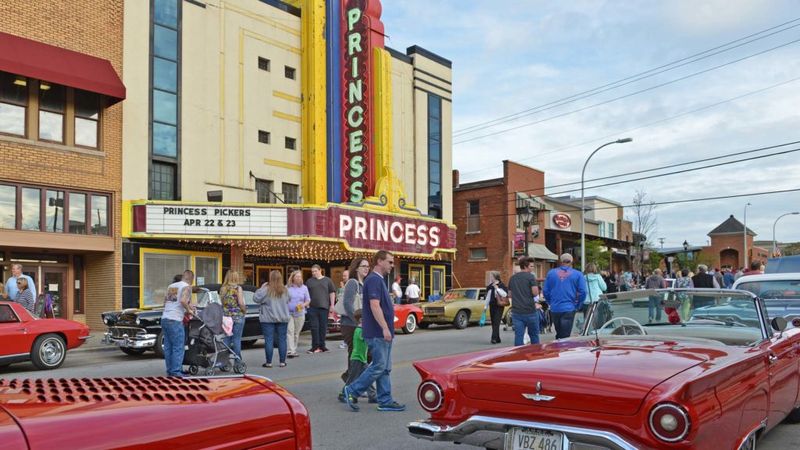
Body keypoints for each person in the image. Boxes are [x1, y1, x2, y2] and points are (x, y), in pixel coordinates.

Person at [342, 250, 405, 412]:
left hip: (382, 331)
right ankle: (352, 389)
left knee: (384, 368)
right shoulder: (374, 280)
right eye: (390, 262)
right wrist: (384, 328)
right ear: (379, 261)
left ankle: (385, 400)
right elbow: (374, 305)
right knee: (379, 366)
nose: (392, 265)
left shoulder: (378, 280)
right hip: (378, 332)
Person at [542, 253, 587, 340]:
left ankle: (558, 350)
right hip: (569, 307)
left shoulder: (551, 273)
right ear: (572, 262)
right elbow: (583, 292)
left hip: (555, 308)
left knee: (559, 334)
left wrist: (550, 302)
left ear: (560, 261)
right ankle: (562, 351)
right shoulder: (578, 274)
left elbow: (545, 291)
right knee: (565, 336)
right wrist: (578, 305)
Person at [340, 257, 370, 382]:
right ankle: (351, 384)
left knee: (363, 355)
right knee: (355, 354)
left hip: (359, 324)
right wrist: (358, 322)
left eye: (368, 266)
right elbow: (347, 304)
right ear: (357, 268)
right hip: (350, 325)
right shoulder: (352, 282)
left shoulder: (364, 284)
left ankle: (349, 377)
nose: (366, 269)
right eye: (364, 266)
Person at [338, 310, 377, 404]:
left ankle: (372, 395)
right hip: (357, 359)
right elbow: (367, 338)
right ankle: (343, 394)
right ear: (361, 320)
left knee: (367, 377)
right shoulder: (359, 331)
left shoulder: (362, 330)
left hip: (362, 358)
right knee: (352, 378)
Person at [162, 270, 195, 377]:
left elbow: (166, 302)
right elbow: (183, 301)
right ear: (191, 279)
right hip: (175, 319)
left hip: (165, 318)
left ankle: (171, 370)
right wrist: (189, 310)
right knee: (178, 347)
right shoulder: (187, 287)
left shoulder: (171, 286)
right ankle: (176, 372)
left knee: (168, 347)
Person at [254, 270, 291, 368]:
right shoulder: (285, 290)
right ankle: (282, 362)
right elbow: (289, 299)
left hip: (268, 318)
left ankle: (269, 362)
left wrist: (262, 287)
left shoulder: (266, 289)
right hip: (283, 317)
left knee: (269, 340)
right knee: (282, 339)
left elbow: (256, 298)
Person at [508, 256, 542, 346]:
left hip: (517, 311)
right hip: (530, 310)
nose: (533, 268)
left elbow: (510, 294)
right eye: (532, 266)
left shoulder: (512, 278)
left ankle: (518, 356)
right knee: (534, 335)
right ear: (526, 266)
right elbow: (535, 293)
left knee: (519, 336)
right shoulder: (531, 277)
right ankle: (535, 354)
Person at [305, 265, 336, 353]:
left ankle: (322, 346)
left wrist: (332, 305)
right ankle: (314, 346)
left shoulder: (327, 280)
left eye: (315, 271)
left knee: (323, 327)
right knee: (314, 327)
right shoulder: (309, 281)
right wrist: (306, 304)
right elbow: (305, 293)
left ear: (320, 270)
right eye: (312, 272)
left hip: (324, 307)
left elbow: (332, 292)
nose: (313, 273)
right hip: (312, 307)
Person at [220, 270, 245, 359]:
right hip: (237, 316)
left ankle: (223, 360)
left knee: (226, 338)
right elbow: (241, 302)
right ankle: (237, 360)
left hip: (226, 317)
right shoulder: (238, 288)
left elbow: (222, 303)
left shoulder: (223, 288)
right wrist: (244, 310)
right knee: (236, 339)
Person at [286, 270, 310, 358]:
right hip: (289, 313)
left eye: (300, 277)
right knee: (290, 331)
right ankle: (290, 350)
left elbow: (308, 300)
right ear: (292, 278)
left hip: (300, 313)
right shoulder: (287, 288)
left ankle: (294, 349)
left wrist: (303, 305)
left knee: (296, 332)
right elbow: (284, 300)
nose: (299, 278)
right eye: (297, 276)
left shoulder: (304, 288)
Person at [483, 271, 508, 344]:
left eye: (492, 277)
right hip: (492, 305)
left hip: (499, 306)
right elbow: (488, 297)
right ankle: (497, 338)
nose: (491, 278)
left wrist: (497, 288)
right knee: (494, 322)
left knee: (497, 321)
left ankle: (493, 338)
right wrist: (485, 307)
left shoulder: (501, 285)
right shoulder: (490, 286)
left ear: (495, 277)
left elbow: (504, 294)